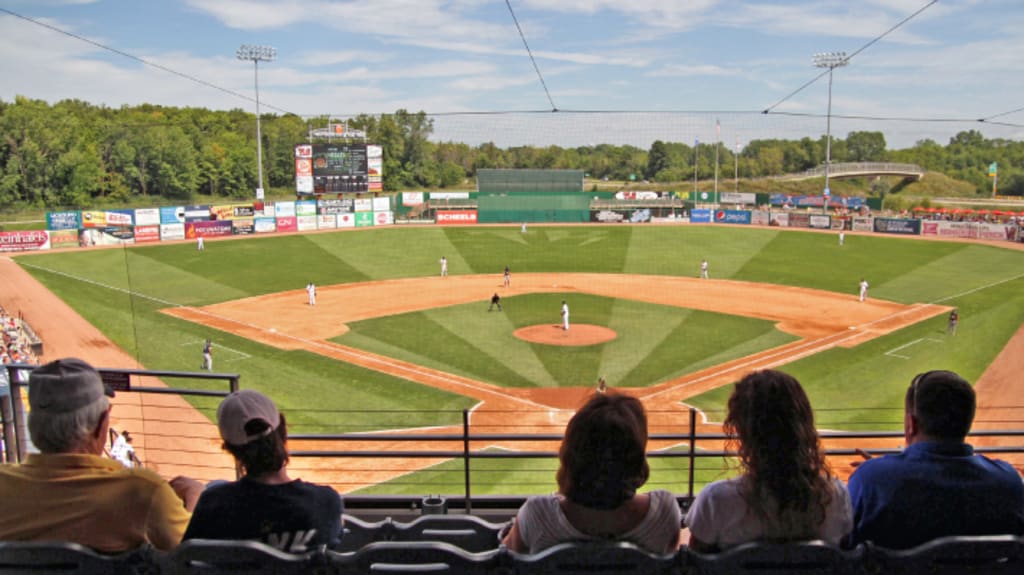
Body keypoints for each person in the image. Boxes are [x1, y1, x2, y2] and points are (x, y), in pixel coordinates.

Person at [0, 358, 202, 552]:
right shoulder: (141, 490)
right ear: (100, 425)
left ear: (33, 424)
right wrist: (197, 497)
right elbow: (192, 551)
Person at [847, 370, 1024, 549]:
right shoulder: (1009, 482)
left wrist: (879, 471)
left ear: (911, 424)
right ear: (967, 422)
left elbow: (845, 547)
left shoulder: (871, 480)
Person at [684, 370, 851, 551]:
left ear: (742, 430)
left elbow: (695, 563)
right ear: (802, 426)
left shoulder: (716, 500)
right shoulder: (836, 496)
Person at [502, 393, 681, 554]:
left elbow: (506, 560)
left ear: (571, 455)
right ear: (635, 459)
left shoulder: (537, 514)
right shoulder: (664, 512)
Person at [183, 389, 343, 551]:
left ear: (231, 450)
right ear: (283, 431)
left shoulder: (214, 504)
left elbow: (187, 560)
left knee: (215, 485)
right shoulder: (327, 502)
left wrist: (193, 496)